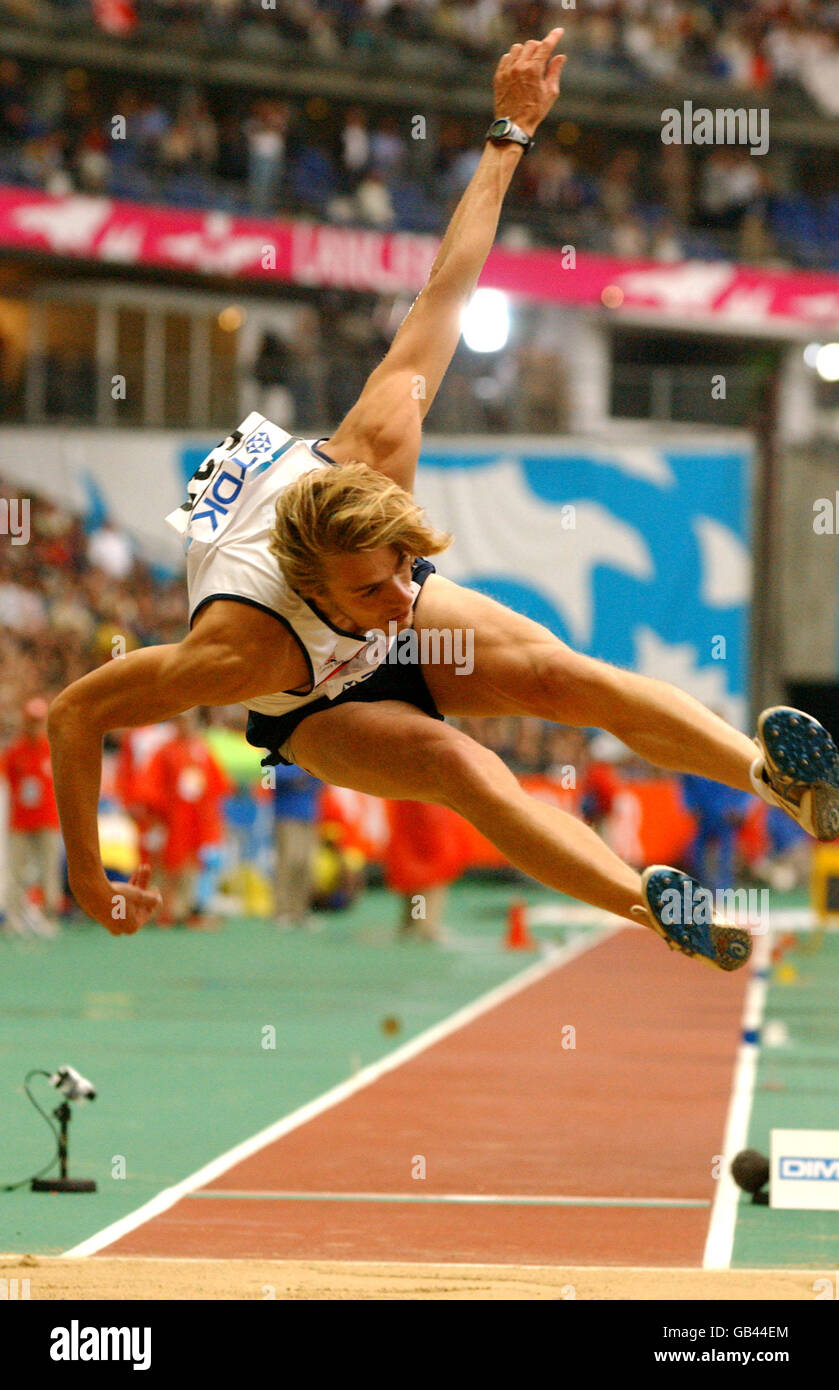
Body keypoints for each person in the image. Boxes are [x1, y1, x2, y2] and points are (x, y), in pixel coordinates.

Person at [47, 29, 839, 972]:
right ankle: (648, 905)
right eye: (371, 593)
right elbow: (73, 716)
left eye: (399, 574)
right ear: (312, 583)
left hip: (334, 579)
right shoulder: (237, 645)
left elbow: (447, 282)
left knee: (564, 677)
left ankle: (775, 783)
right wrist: (88, 876)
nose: (394, 605)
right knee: (466, 768)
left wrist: (509, 132)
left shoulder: (379, 445)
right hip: (314, 702)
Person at [2, 697, 63, 938]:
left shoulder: (54, 750)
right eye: (31, 722)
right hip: (20, 821)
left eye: (39, 722)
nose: (35, 726)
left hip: (48, 820)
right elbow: (8, 784)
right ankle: (14, 916)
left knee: (49, 869)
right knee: (16, 869)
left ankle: (49, 915)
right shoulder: (15, 751)